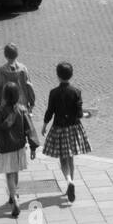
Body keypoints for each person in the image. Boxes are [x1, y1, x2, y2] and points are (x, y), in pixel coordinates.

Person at [0, 81, 41, 218]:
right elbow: (30, 129)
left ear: (4, 96)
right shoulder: (22, 110)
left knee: (9, 173)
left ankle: (14, 197)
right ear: (17, 96)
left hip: (4, 147)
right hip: (18, 147)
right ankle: (13, 193)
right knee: (15, 171)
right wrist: (33, 147)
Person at [42, 61, 91, 203]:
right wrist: (88, 115)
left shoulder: (53, 93)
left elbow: (49, 112)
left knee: (63, 158)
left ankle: (69, 181)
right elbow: (79, 114)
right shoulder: (76, 92)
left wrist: (44, 125)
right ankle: (72, 181)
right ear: (71, 75)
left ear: (58, 76)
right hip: (73, 128)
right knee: (71, 158)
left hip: (59, 129)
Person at [0, 43, 36, 109]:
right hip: (22, 104)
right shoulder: (23, 69)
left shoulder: (1, 71)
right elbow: (29, 86)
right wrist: (32, 102)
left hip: (5, 105)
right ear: (16, 54)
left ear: (5, 55)